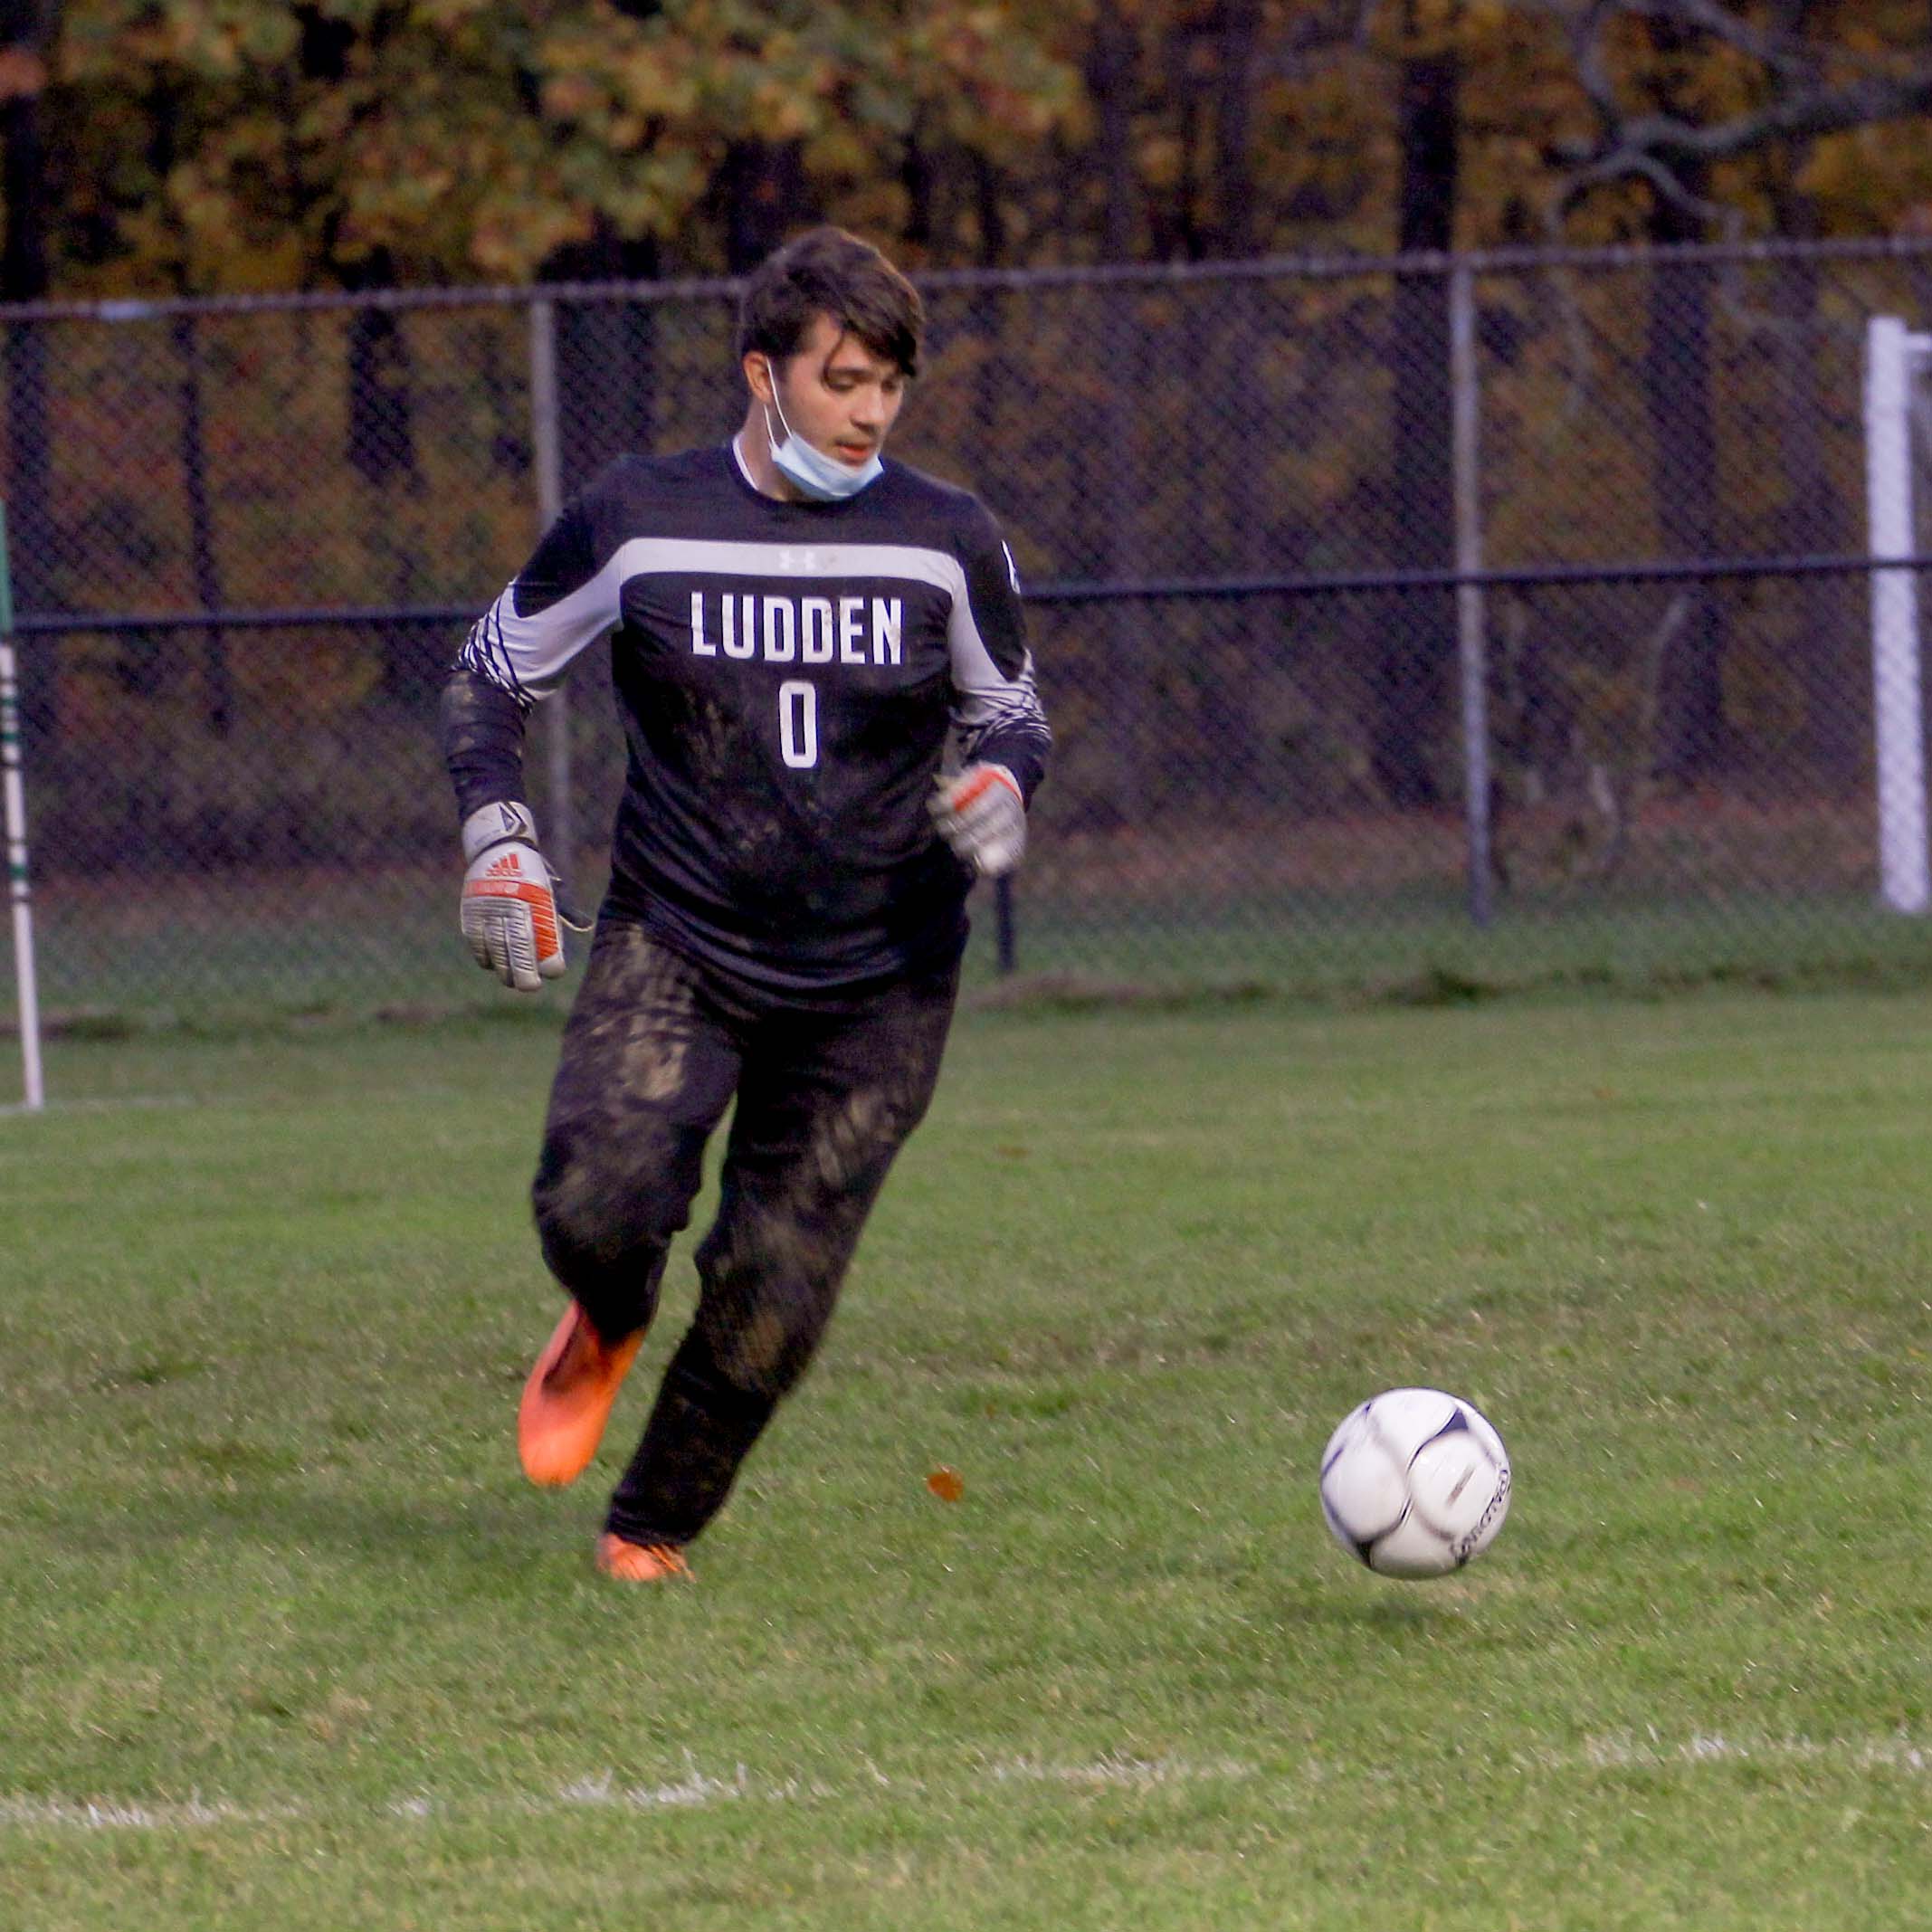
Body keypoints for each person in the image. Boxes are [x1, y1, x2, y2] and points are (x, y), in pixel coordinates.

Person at [441, 226, 1052, 1584]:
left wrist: (1005, 784)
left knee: (778, 1283)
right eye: (843, 379)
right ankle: (603, 1318)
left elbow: (1011, 711)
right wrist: (495, 836)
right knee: (596, 1201)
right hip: (681, 943)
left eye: (891, 383)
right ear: (761, 372)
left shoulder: (949, 538)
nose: (871, 411)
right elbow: (487, 674)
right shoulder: (635, 516)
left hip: (881, 980)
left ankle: (650, 1526)